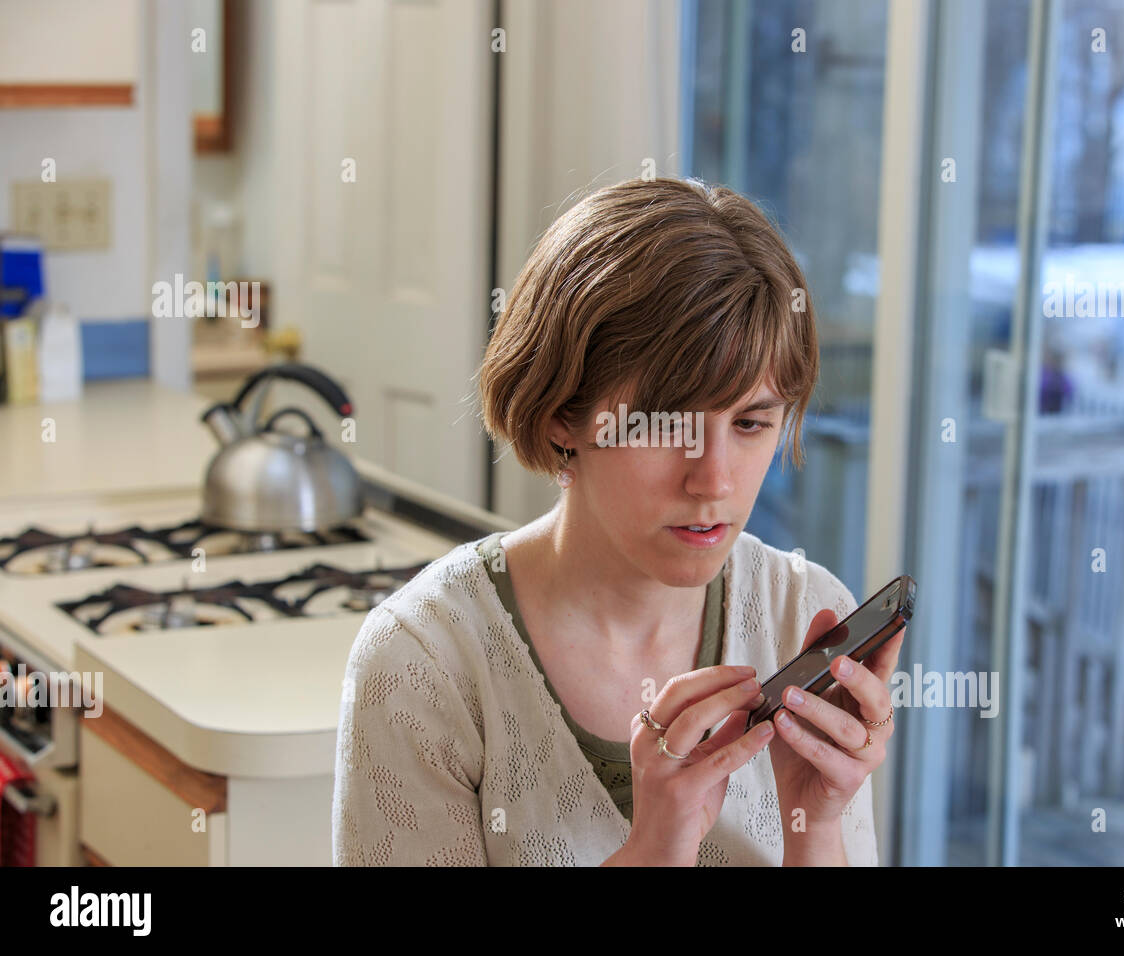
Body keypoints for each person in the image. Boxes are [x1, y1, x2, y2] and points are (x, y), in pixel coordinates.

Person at [331, 176, 904, 866]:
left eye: (752, 423)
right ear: (560, 416)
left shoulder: (805, 614)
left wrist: (816, 822)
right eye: (667, 428)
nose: (714, 480)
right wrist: (655, 849)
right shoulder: (423, 664)